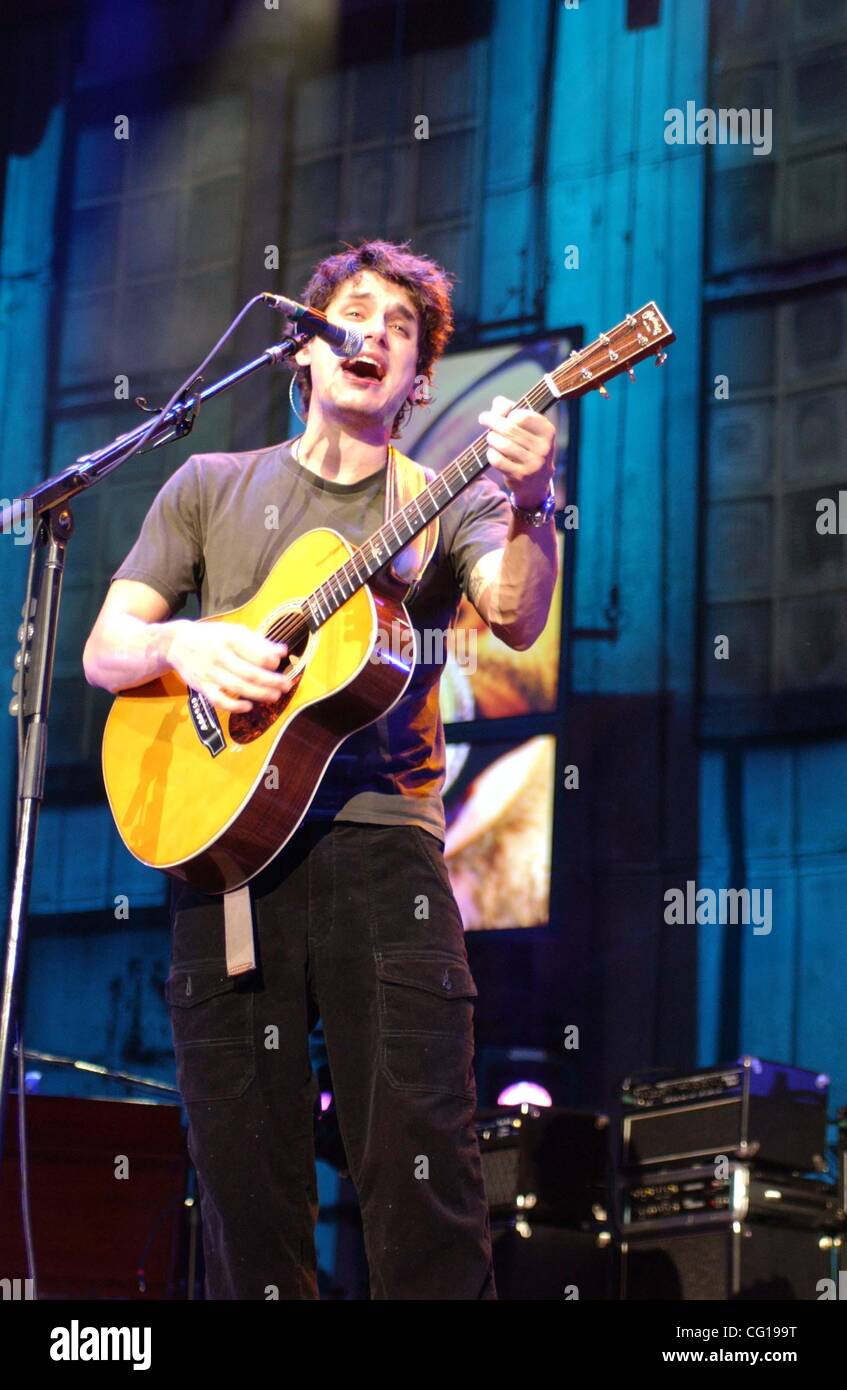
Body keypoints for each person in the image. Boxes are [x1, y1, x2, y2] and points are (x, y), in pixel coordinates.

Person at [83, 239, 558, 1300]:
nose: (375, 333)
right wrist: (183, 647)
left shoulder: (449, 497)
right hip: (223, 866)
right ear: (304, 348)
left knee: (420, 1185)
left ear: (420, 379)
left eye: (401, 326)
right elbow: (105, 649)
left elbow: (517, 613)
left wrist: (532, 501)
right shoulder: (209, 484)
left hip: (381, 856)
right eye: (354, 313)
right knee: (246, 1203)